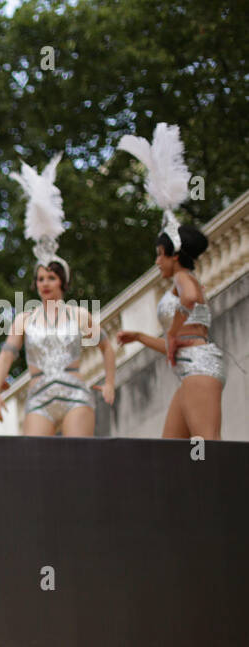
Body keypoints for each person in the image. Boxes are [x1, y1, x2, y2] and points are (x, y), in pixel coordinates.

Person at [0, 155, 115, 435]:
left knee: (77, 458)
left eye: (51, 278)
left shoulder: (79, 314)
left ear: (63, 281)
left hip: (75, 395)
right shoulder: (24, 319)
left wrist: (109, 382)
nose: (45, 283)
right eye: (40, 278)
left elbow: (106, 346)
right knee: (36, 464)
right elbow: (6, 356)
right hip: (38, 397)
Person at [117, 125, 227, 440]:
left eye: (159, 255)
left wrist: (175, 331)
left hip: (199, 366)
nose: (156, 262)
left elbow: (191, 298)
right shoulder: (179, 279)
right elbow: (174, 344)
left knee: (208, 446)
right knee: (171, 452)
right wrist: (140, 337)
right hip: (189, 368)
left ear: (173, 256)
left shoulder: (182, 278)